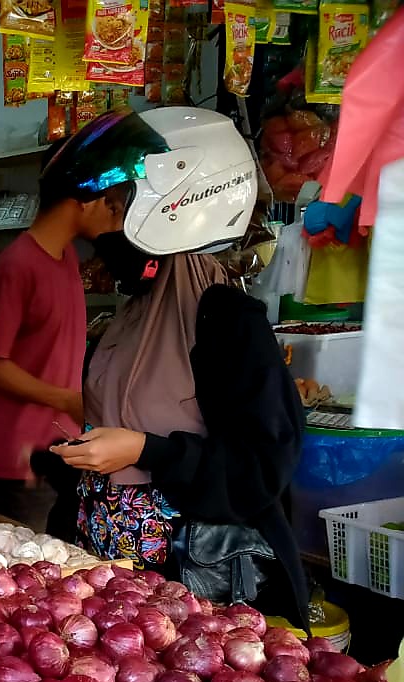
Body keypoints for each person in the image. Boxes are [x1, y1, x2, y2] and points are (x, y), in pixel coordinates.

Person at [50, 107, 308, 627]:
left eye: (118, 205)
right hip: (120, 587)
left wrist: (147, 451)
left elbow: (261, 469)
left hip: (196, 596)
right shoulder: (135, 312)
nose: (103, 225)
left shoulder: (226, 321)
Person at [0, 122, 141, 532]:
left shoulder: (65, 259)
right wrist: (66, 399)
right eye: (112, 203)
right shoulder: (16, 266)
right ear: (83, 201)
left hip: (55, 451)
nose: (117, 216)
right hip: (15, 461)